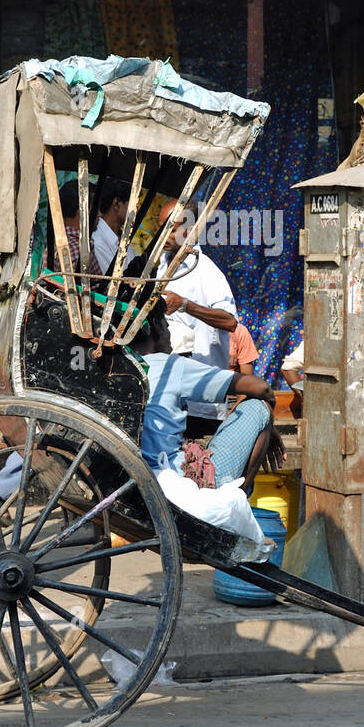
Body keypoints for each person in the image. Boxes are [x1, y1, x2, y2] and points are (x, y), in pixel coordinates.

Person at [134, 298, 280, 494]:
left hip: (135, 471)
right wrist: (270, 423)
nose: (169, 334)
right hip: (172, 476)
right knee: (259, 407)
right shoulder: (169, 364)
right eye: (167, 326)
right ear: (158, 327)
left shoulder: (118, 365)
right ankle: (235, 500)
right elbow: (262, 388)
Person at [156, 202, 238, 432]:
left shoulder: (206, 272)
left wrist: (184, 304)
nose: (164, 236)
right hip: (170, 393)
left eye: (171, 229)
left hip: (200, 399)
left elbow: (230, 321)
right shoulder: (161, 267)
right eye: (161, 228)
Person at [92, 179, 136, 274]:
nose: (136, 210)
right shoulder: (97, 241)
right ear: (117, 203)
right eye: (133, 204)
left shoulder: (121, 238)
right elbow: (112, 283)